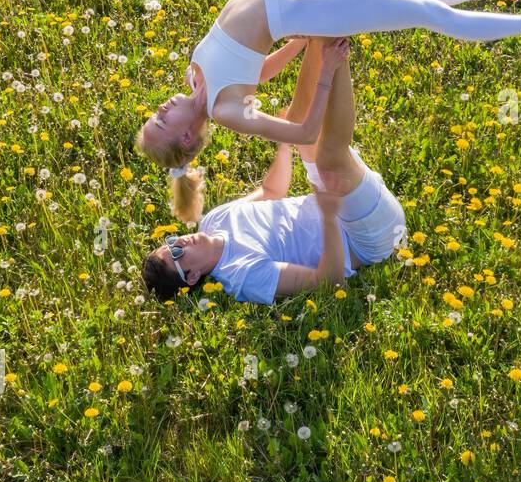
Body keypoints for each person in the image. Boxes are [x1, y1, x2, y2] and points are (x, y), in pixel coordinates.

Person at [137, 0, 521, 221]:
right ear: (187, 138)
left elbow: (259, 69)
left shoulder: (195, 78)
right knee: (431, 14)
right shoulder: (225, 111)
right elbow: (300, 133)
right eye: (161, 120)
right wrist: (324, 71)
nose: (161, 108)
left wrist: (298, 42)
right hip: (305, 4)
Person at [141, 37, 404, 304]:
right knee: (328, 161)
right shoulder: (242, 274)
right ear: (193, 276)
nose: (180, 243)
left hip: (338, 198)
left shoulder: (213, 221)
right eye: (176, 255)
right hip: (364, 236)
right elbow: (326, 281)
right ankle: (341, 37)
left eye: (172, 242)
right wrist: (327, 216)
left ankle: (321, 31)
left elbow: (271, 191)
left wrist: (284, 144)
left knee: (297, 126)